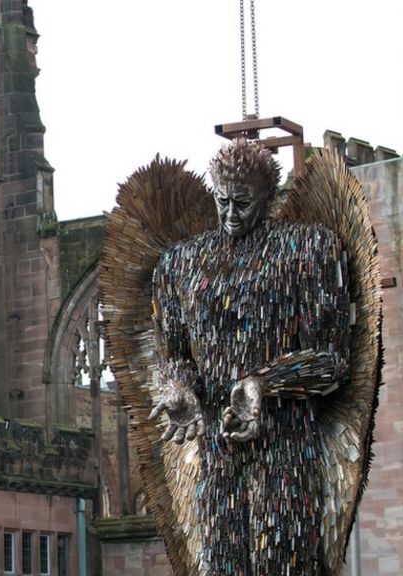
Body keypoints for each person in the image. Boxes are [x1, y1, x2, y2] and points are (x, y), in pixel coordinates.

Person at [148, 139, 351, 575]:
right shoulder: (180, 265)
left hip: (286, 446)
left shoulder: (309, 251)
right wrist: (179, 387)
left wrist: (265, 383)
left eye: (243, 203)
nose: (231, 215)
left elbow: (333, 360)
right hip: (216, 451)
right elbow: (174, 352)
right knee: (219, 564)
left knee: (285, 560)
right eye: (222, 200)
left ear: (268, 197)